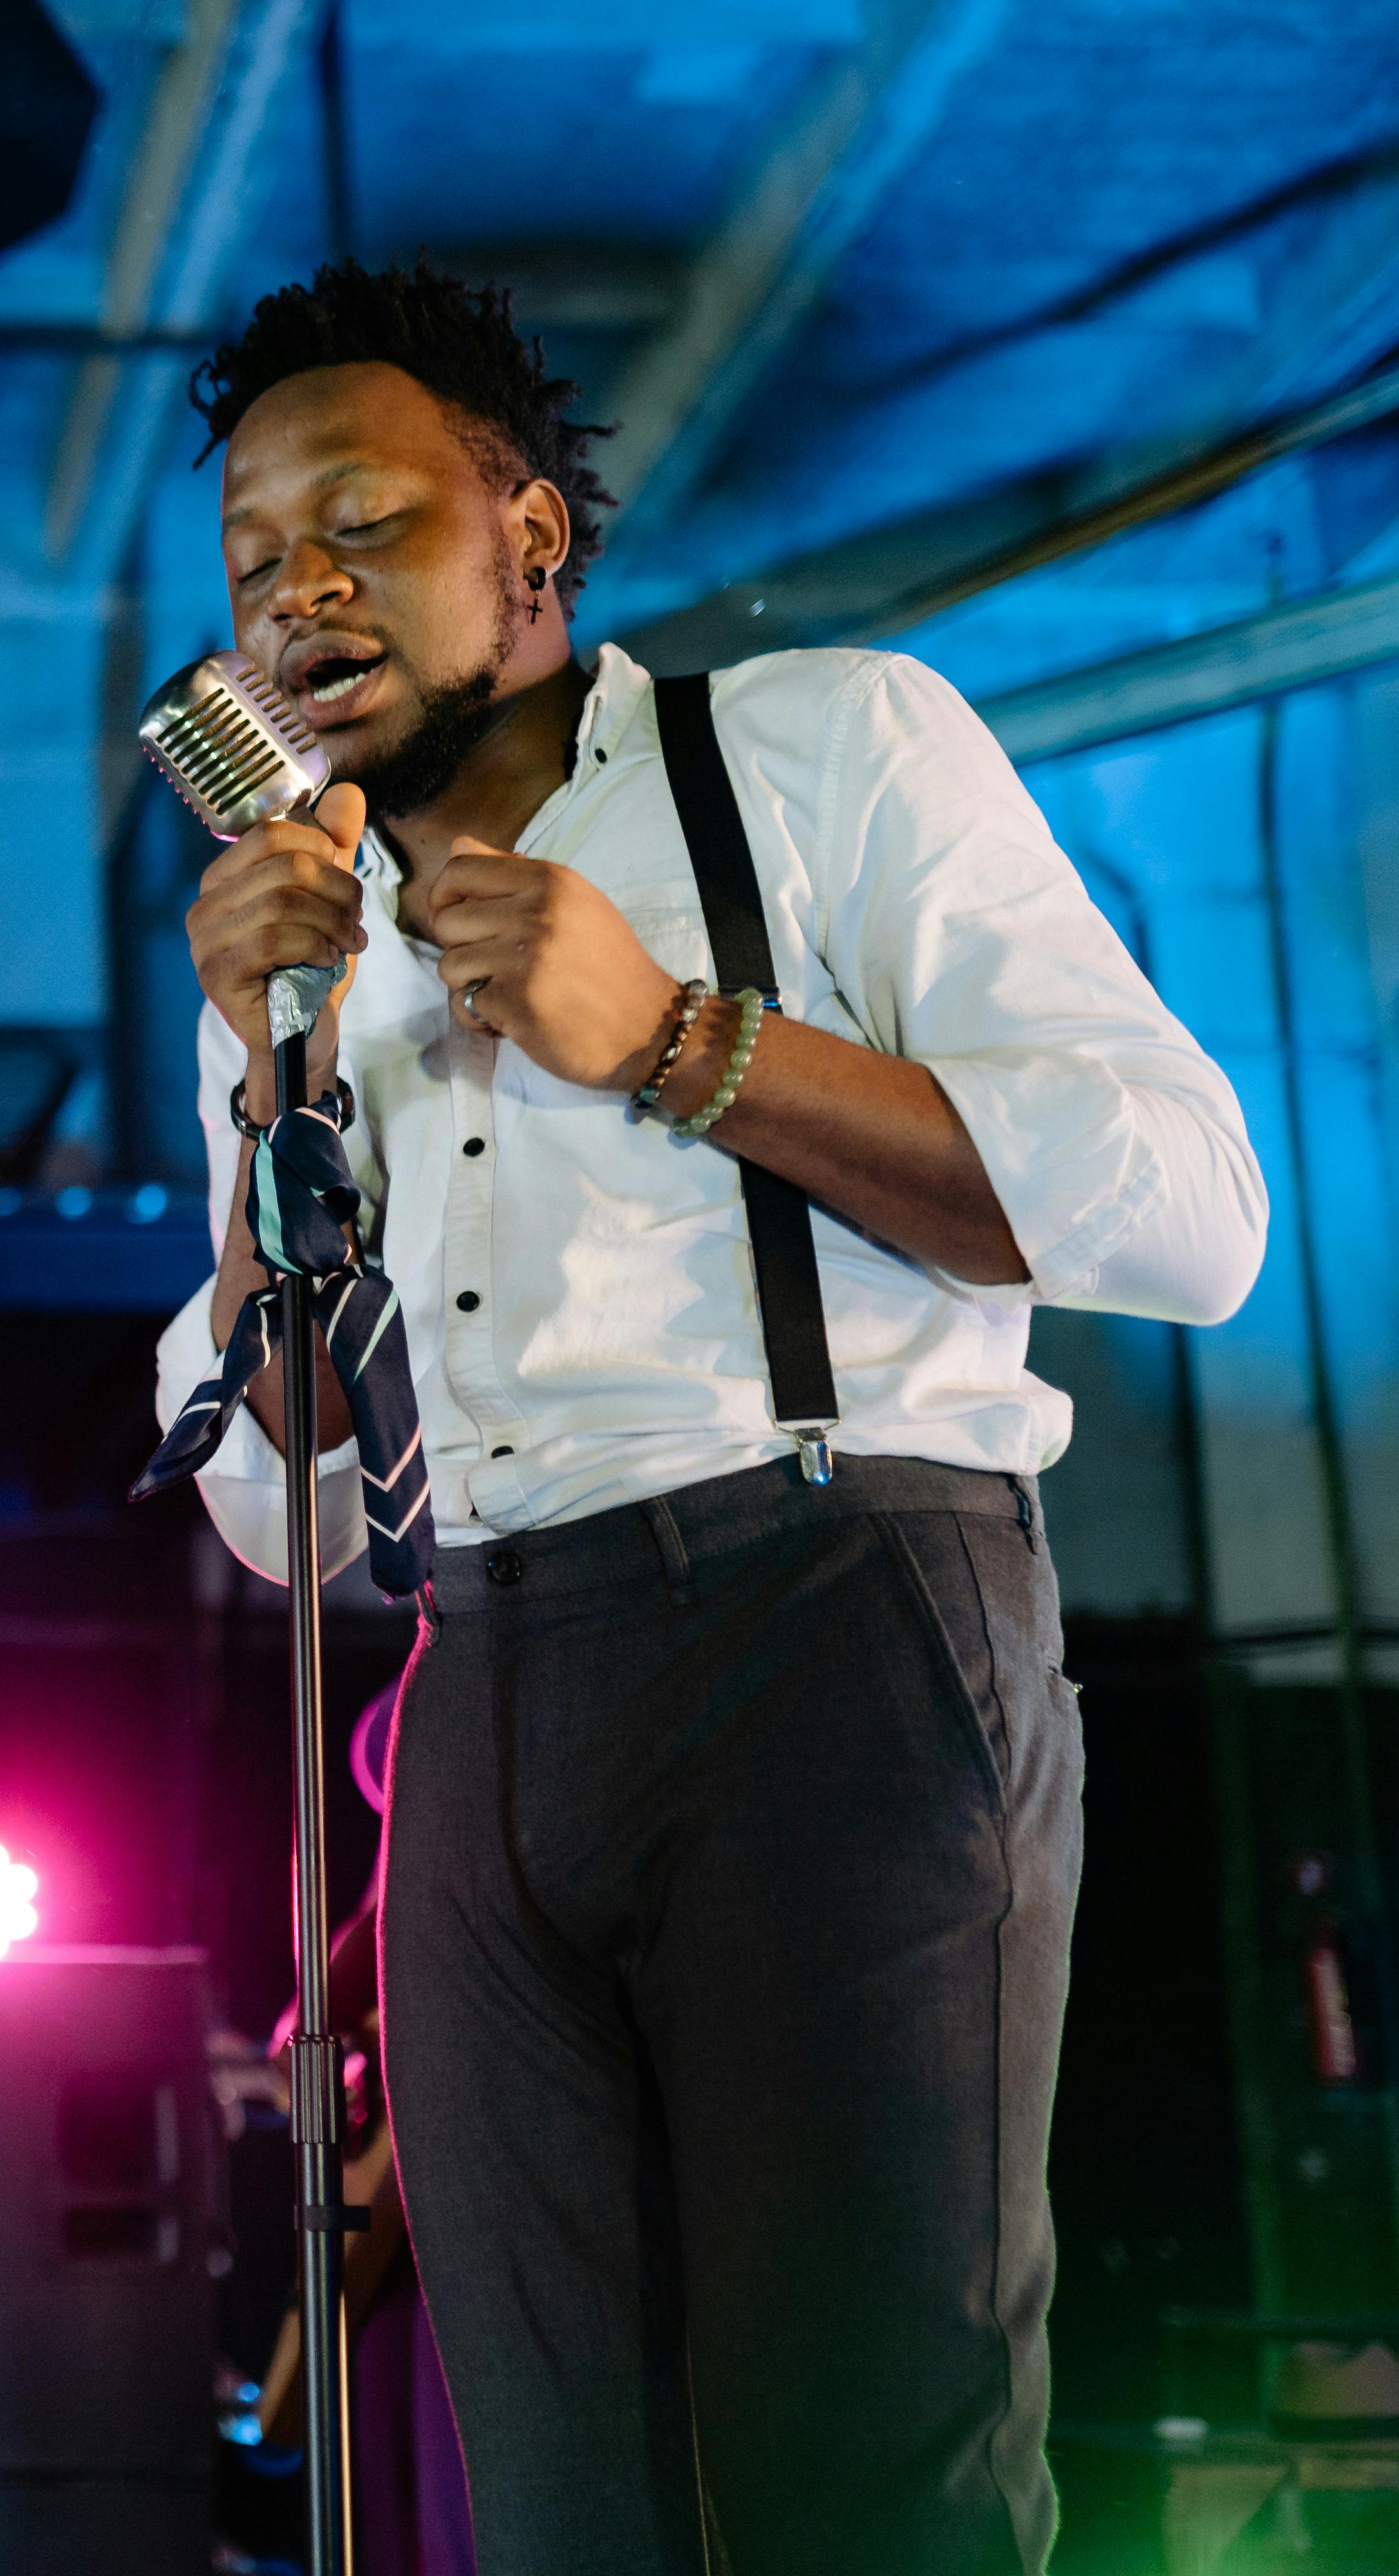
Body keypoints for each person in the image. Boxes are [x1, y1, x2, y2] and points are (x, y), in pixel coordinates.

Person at [157, 258, 1261, 2573]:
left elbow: (1190, 1210)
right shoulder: (290, 941)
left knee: (868, 2484)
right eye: (255, 559)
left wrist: (679, 1039)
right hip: (483, 1686)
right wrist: (263, 1081)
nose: (297, 594)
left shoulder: (825, 746)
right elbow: (283, 1508)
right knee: (563, 2512)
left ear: (532, 545)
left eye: (361, 527)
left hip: (830, 1619)